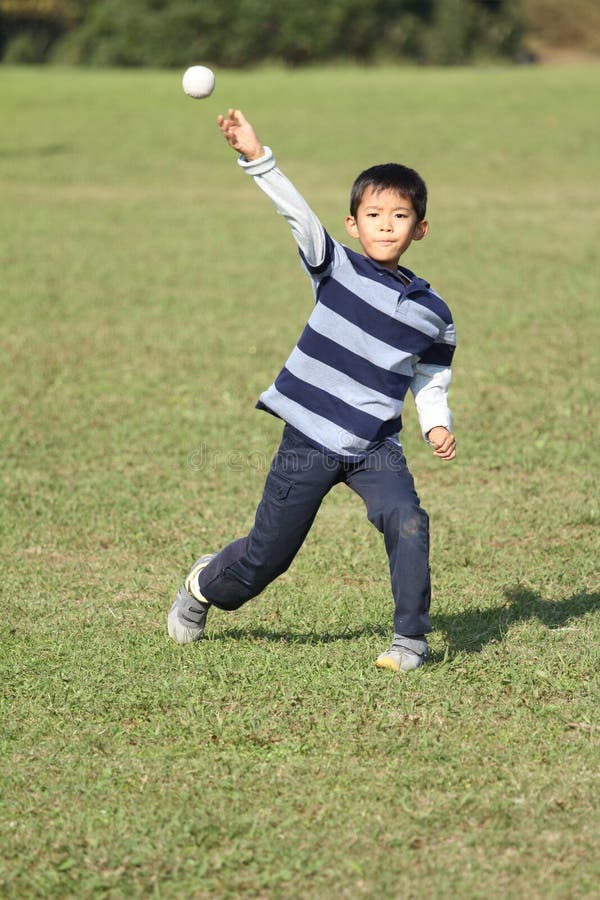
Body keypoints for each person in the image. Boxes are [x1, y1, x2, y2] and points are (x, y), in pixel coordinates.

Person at [167, 109, 457, 672]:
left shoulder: (433, 314)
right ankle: (203, 586)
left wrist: (435, 421)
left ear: (420, 228)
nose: (386, 224)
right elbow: (296, 213)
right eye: (374, 214)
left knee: (408, 520)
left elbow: (430, 376)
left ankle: (410, 641)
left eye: (400, 215)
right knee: (263, 561)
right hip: (310, 440)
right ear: (353, 224)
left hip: (375, 446)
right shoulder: (335, 268)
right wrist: (257, 156)